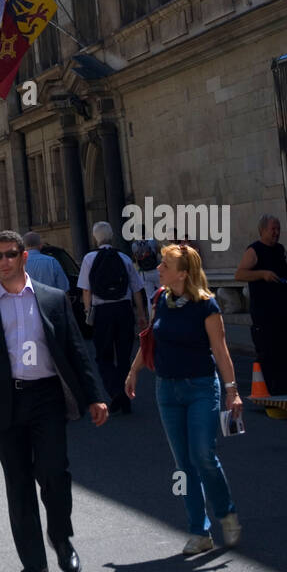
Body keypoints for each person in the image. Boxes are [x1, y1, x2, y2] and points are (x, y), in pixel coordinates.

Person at [0, 231, 107, 572]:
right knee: (19, 484)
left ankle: (61, 536)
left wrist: (95, 395)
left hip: (47, 397)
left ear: (23, 258)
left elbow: (75, 350)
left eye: (10, 255)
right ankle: (34, 565)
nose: (4, 261)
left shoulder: (52, 299)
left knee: (55, 472)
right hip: (6, 402)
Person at [126, 243, 242, 554]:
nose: (159, 268)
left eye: (165, 265)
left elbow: (220, 351)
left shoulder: (207, 306)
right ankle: (199, 531)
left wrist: (232, 390)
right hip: (167, 390)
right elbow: (151, 339)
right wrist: (134, 371)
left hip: (201, 387)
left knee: (203, 454)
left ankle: (226, 512)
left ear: (183, 273)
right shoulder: (160, 300)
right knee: (183, 464)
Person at [77, 221, 147, 414]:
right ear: (112, 236)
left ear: (95, 238)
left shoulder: (90, 259)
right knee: (124, 355)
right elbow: (137, 289)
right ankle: (125, 394)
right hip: (123, 310)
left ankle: (116, 391)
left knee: (103, 356)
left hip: (102, 312)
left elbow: (86, 290)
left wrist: (87, 312)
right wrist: (141, 314)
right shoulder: (123, 258)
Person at [234, 214, 287, 395]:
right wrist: (262, 274)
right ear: (262, 230)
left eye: (278, 229)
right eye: (272, 229)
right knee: (268, 353)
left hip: (283, 311)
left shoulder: (281, 250)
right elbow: (240, 274)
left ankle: (282, 389)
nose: (276, 233)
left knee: (286, 351)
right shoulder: (254, 250)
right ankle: (269, 392)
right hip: (264, 313)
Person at [132, 238, 161, 305]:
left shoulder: (134, 245)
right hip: (156, 270)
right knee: (163, 291)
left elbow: (134, 259)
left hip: (144, 273)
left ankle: (151, 314)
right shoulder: (151, 241)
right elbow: (158, 252)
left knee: (149, 296)